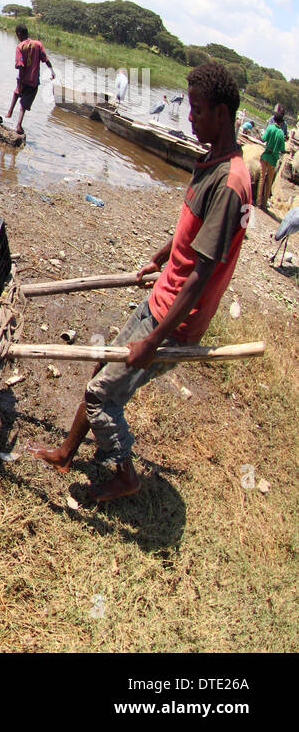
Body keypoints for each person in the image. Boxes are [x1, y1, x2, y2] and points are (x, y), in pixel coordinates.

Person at [31, 61, 250, 502]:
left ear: (223, 113)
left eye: (199, 111)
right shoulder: (214, 160)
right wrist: (163, 253)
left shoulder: (230, 183)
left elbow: (202, 275)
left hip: (173, 316)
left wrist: (154, 344)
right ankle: (67, 452)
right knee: (102, 372)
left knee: (101, 394)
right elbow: (194, 229)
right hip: (161, 298)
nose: (190, 118)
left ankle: (123, 475)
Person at [5, 24, 54, 136]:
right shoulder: (38, 44)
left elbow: (20, 65)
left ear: (19, 34)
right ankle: (19, 125)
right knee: (24, 105)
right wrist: (52, 72)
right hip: (33, 80)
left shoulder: (20, 46)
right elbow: (45, 59)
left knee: (17, 93)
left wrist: (21, 79)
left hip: (23, 78)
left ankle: (9, 112)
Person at [259, 104, 287, 210]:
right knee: (269, 181)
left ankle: (258, 201)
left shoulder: (271, 126)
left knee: (262, 178)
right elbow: (282, 146)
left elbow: (264, 137)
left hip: (266, 155)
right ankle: (264, 202)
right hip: (273, 158)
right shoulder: (280, 131)